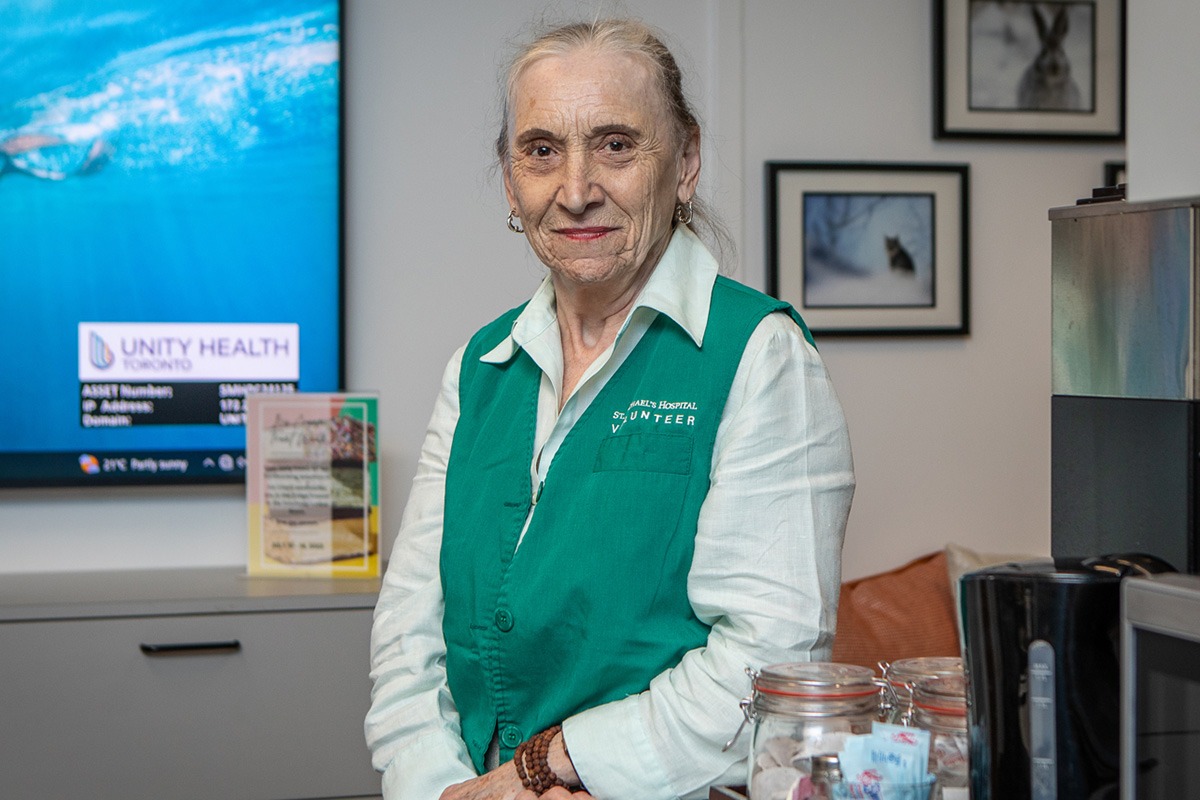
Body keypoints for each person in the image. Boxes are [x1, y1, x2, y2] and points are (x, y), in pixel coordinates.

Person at [365, 18, 854, 800]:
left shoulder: (759, 357)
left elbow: (769, 658)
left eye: (617, 145)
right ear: (509, 178)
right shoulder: (479, 369)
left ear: (686, 161)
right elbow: (407, 640)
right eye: (542, 150)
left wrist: (547, 768)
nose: (576, 188)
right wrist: (444, 790)